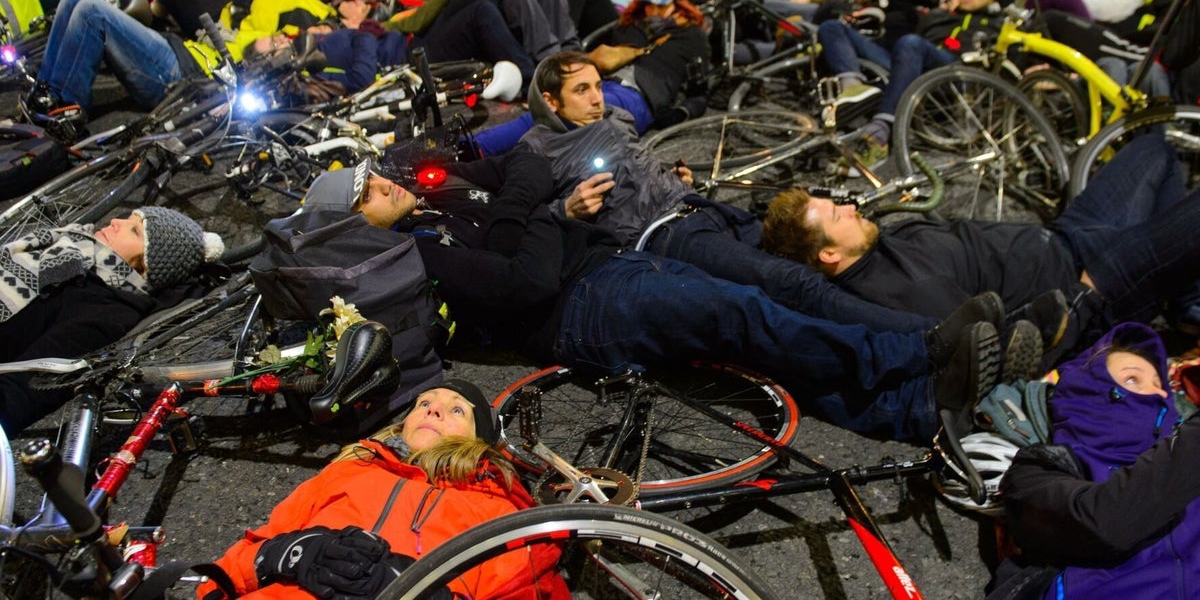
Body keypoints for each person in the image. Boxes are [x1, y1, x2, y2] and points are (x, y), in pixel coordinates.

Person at [292, 147, 1010, 441]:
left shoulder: (440, 199)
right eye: (365, 194)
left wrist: (526, 210)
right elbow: (526, 280)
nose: (383, 183)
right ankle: (917, 353)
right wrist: (539, 213)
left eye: (373, 175)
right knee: (745, 314)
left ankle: (916, 410)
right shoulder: (421, 251)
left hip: (611, 267)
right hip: (587, 311)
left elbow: (527, 161)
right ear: (356, 224)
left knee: (760, 346)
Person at [518, 50, 939, 335]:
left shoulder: (615, 116)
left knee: (811, 250)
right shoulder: (536, 148)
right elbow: (519, 220)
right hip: (665, 234)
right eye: (582, 90)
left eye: (598, 85)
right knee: (791, 282)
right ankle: (925, 335)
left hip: (697, 206)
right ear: (551, 102)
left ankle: (925, 303)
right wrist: (566, 209)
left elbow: (634, 166)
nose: (597, 98)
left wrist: (669, 176)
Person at [760, 133, 1200, 362]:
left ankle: (1186, 303)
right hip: (1095, 278)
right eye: (837, 216)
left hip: (1071, 233)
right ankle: (1185, 299)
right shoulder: (902, 290)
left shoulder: (876, 245)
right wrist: (1083, 297)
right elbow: (1002, 347)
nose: (851, 207)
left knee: (1154, 148)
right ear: (829, 254)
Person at [200, 379, 567, 599]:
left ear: (480, 440)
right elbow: (227, 573)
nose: (434, 410)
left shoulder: (499, 508)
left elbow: (529, 589)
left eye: (457, 410)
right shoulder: (350, 470)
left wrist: (428, 593)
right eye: (425, 402)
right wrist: (288, 553)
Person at [991, 321, 1199, 599]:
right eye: (1132, 379)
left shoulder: (1190, 477)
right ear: (1088, 394)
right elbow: (1105, 523)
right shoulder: (1041, 469)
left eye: (1161, 386)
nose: (1161, 395)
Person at [0, 207, 224, 434]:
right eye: (127, 219)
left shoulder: (107, 310)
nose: (116, 221)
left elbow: (28, 387)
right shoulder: (72, 247)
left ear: (145, 266)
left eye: (134, 231)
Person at [472, 0, 709, 156]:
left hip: (639, 95)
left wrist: (682, 112)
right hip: (602, 83)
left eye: (662, 5)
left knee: (561, 119)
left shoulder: (691, 36)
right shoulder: (631, 25)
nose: (654, 10)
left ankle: (474, 147)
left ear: (679, 3)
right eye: (650, 3)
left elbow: (700, 93)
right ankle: (474, 148)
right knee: (551, 114)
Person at [815, 0, 1007, 162]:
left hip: (953, 73)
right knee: (831, 27)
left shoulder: (999, 24)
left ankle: (882, 127)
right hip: (907, 65)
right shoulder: (938, 14)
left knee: (911, 42)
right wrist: (940, 1)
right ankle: (853, 90)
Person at [246, 0, 538, 94]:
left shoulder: (310, 43)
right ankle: (531, 82)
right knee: (480, 12)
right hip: (410, 59)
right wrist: (364, 33)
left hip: (409, 40)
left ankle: (526, 56)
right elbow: (361, 78)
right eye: (273, 44)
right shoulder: (311, 71)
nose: (280, 38)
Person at [23, 0, 235, 122]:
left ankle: (65, 111)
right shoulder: (245, 10)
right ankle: (45, 93)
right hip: (183, 49)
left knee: (91, 12)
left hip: (190, 74)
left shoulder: (257, 27)